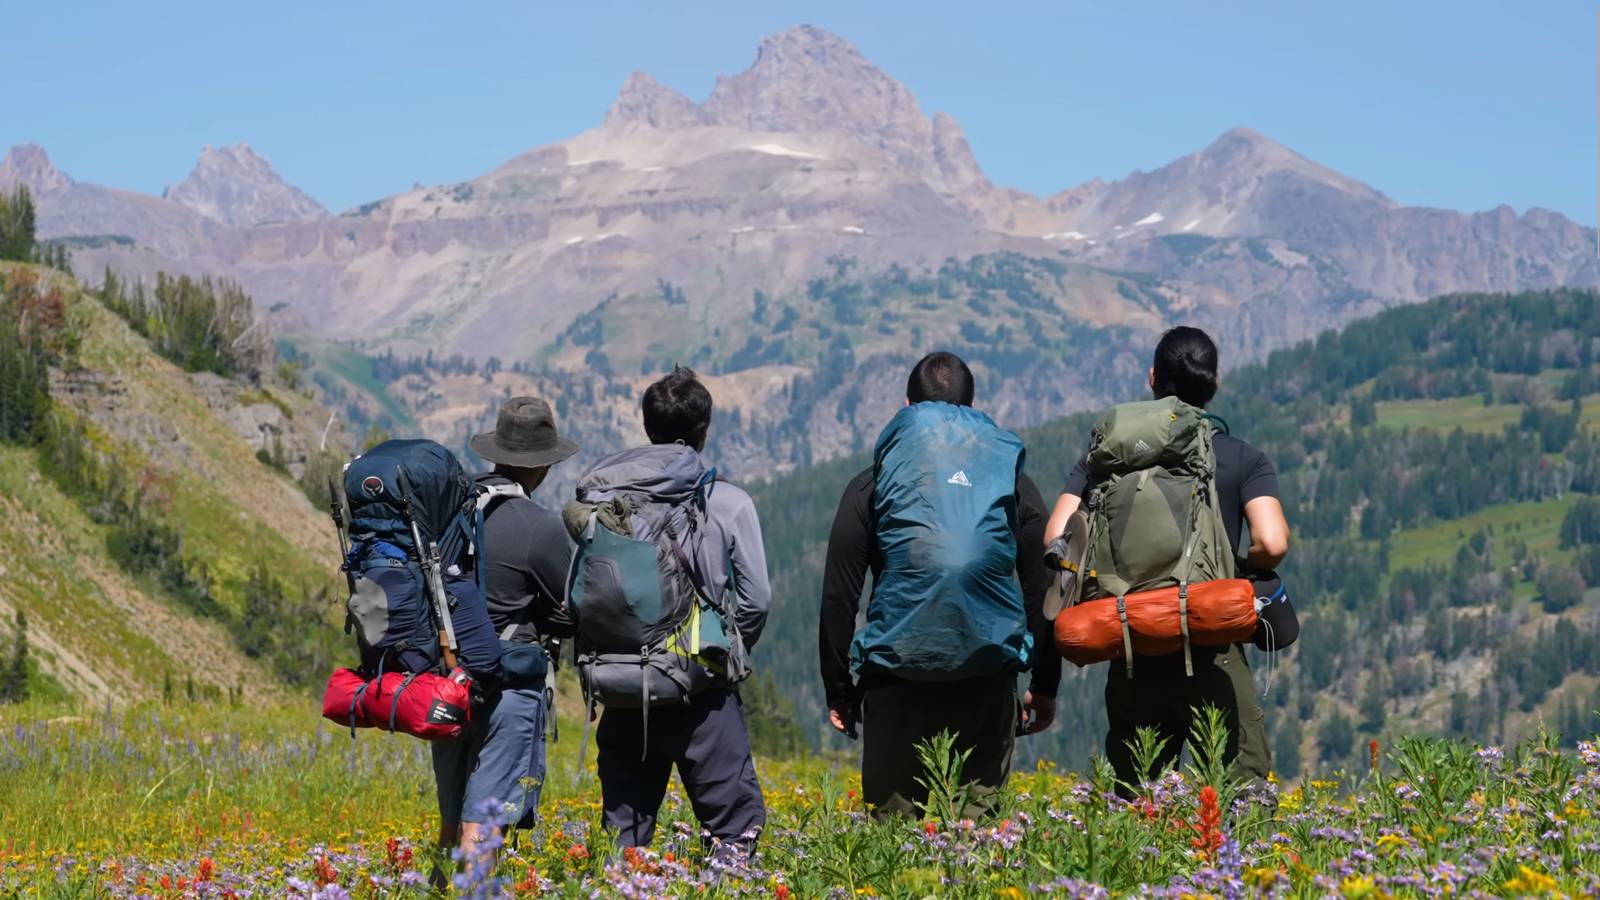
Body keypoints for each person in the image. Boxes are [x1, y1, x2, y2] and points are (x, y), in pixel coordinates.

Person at [1043, 326, 1290, 790]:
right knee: (1242, 797)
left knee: (1138, 799)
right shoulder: (1240, 457)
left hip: (1132, 642)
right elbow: (1273, 542)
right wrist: (1243, 568)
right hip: (1211, 644)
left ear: (1152, 378)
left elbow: (1055, 536)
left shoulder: (1105, 459)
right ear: (1214, 383)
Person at [818, 351, 1060, 819]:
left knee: (894, 840)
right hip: (987, 678)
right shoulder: (1011, 483)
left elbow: (838, 595)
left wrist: (839, 690)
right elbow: (1045, 586)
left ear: (907, 407)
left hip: (896, 680)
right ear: (970, 409)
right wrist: (1044, 683)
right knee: (979, 839)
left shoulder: (873, 484)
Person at [589, 366, 772, 852]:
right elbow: (756, 600)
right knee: (734, 835)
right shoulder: (728, 502)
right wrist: (725, 652)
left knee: (623, 842)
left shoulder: (610, 505)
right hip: (702, 690)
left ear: (648, 429)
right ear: (703, 431)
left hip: (627, 687)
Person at [433, 397, 579, 870]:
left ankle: (439, 889)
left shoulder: (451, 511)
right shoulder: (540, 526)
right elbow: (572, 611)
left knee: (451, 822)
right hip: (507, 688)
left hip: (447, 681)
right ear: (542, 465)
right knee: (484, 822)